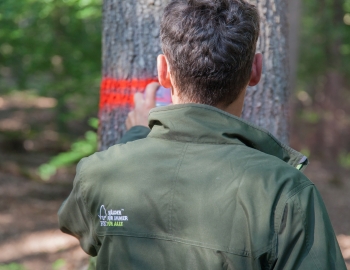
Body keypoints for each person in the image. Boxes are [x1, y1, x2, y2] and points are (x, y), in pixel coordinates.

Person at [58, 0, 347, 269]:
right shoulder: (285, 191)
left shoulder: (100, 172)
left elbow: (78, 224)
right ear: (255, 70)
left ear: (163, 72)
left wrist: (134, 138)